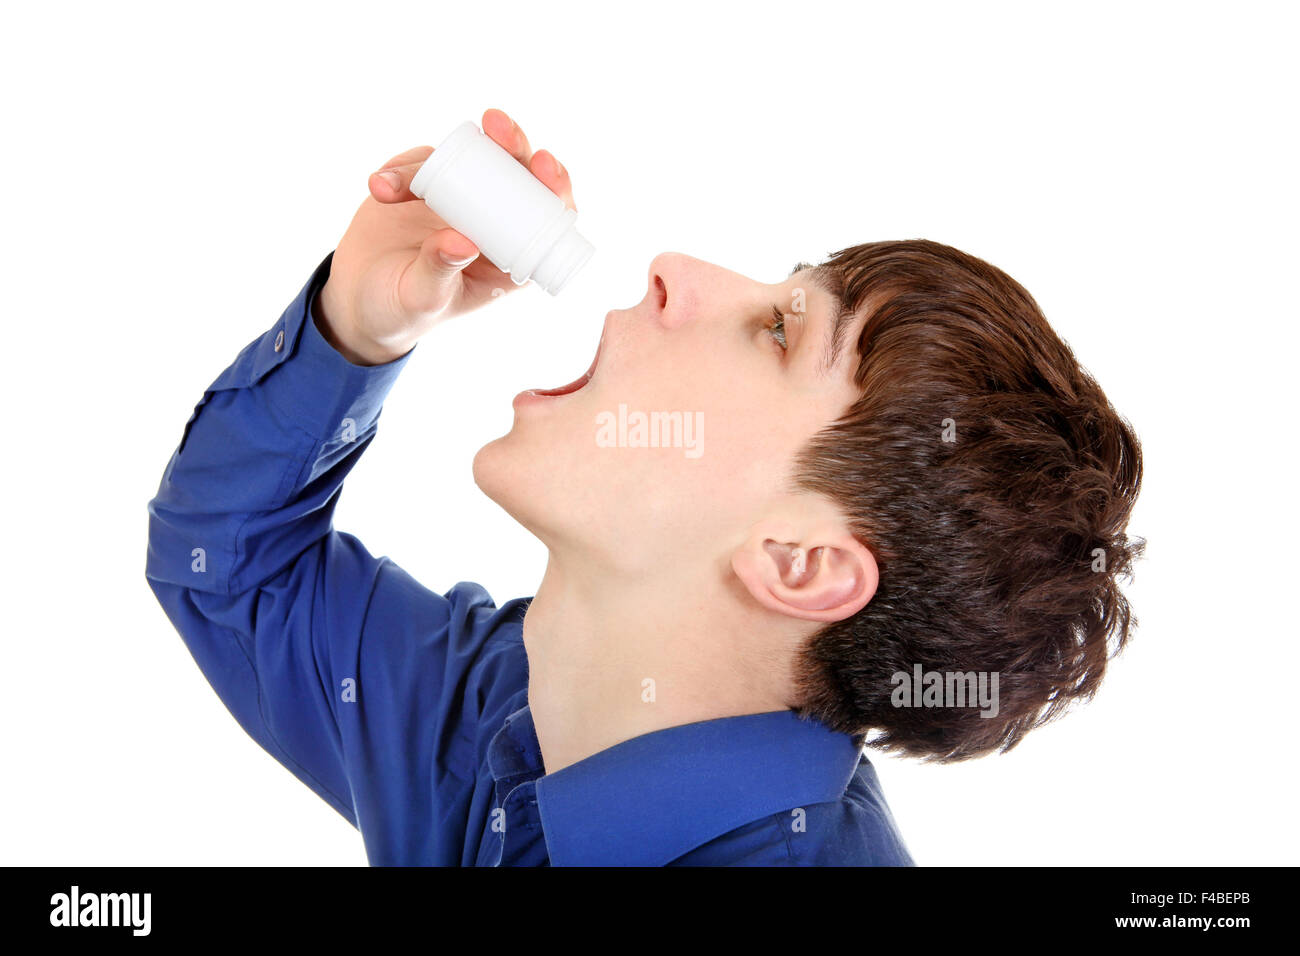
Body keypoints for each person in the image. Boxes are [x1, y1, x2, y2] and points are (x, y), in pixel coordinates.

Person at [145, 108, 1143, 866]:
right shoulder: (498, 708)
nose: (676, 269)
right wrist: (356, 329)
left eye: (778, 331)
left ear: (797, 563)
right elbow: (227, 568)